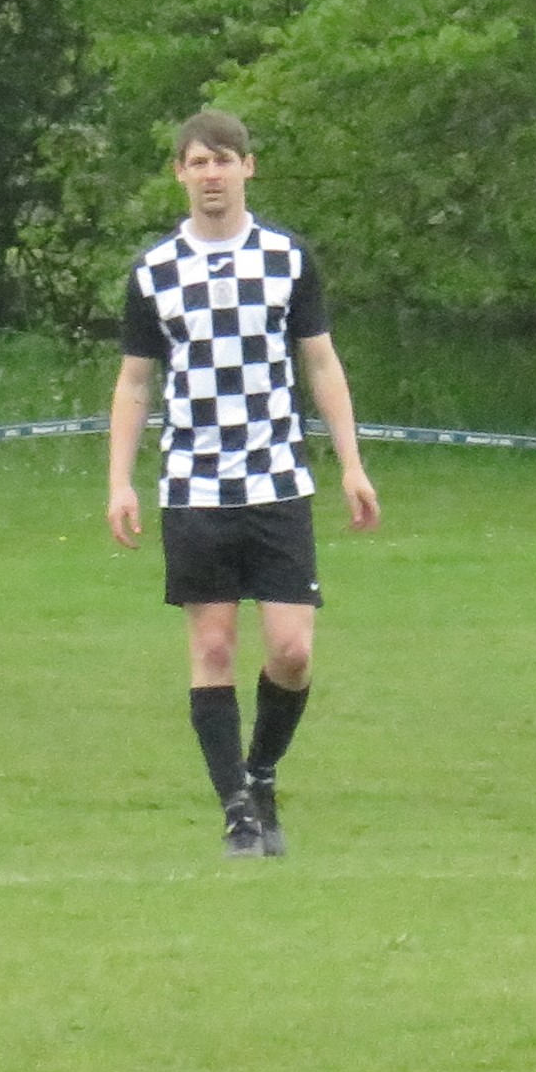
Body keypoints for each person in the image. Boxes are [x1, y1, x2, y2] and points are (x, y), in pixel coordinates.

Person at [106, 109, 382, 858]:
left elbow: (321, 364)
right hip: (194, 486)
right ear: (180, 174)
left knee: (291, 651)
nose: (212, 174)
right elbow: (135, 383)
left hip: (278, 480)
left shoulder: (286, 258)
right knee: (215, 646)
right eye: (197, 163)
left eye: (223, 160)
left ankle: (260, 774)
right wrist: (120, 481)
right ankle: (235, 810)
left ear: (247, 168)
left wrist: (351, 464)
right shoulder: (155, 270)